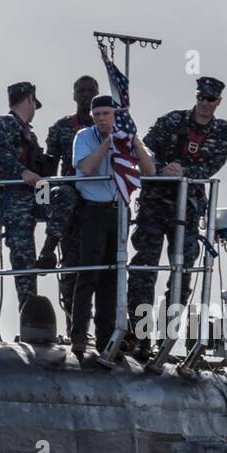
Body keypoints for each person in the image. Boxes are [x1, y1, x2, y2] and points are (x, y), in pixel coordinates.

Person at [129, 76, 227, 356]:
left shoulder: (222, 132)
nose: (204, 104)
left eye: (210, 100)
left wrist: (183, 173)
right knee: (144, 270)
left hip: (187, 208)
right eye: (201, 97)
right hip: (155, 203)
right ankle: (139, 335)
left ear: (218, 102)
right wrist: (163, 169)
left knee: (183, 274)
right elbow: (144, 153)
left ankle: (167, 336)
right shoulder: (172, 121)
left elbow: (213, 165)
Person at [69, 95, 154, 357]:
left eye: (107, 114)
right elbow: (87, 168)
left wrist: (133, 142)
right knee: (89, 275)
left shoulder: (128, 135)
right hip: (92, 211)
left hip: (118, 211)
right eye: (98, 114)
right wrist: (109, 143)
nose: (103, 119)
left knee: (112, 277)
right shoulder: (84, 137)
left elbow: (150, 170)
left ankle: (106, 338)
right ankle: (79, 336)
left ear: (116, 115)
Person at [38, 75, 100, 336]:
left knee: (99, 272)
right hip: (69, 211)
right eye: (81, 91)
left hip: (97, 206)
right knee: (71, 272)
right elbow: (49, 171)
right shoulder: (61, 128)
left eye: (91, 91)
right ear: (74, 95)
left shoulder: (107, 128)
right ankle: (74, 330)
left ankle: (103, 332)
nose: (86, 95)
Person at [0, 82, 45, 320]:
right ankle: (28, 313)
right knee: (23, 259)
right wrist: (23, 172)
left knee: (29, 259)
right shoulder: (5, 124)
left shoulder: (28, 132)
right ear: (30, 99)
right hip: (15, 203)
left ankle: (32, 311)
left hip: (31, 201)